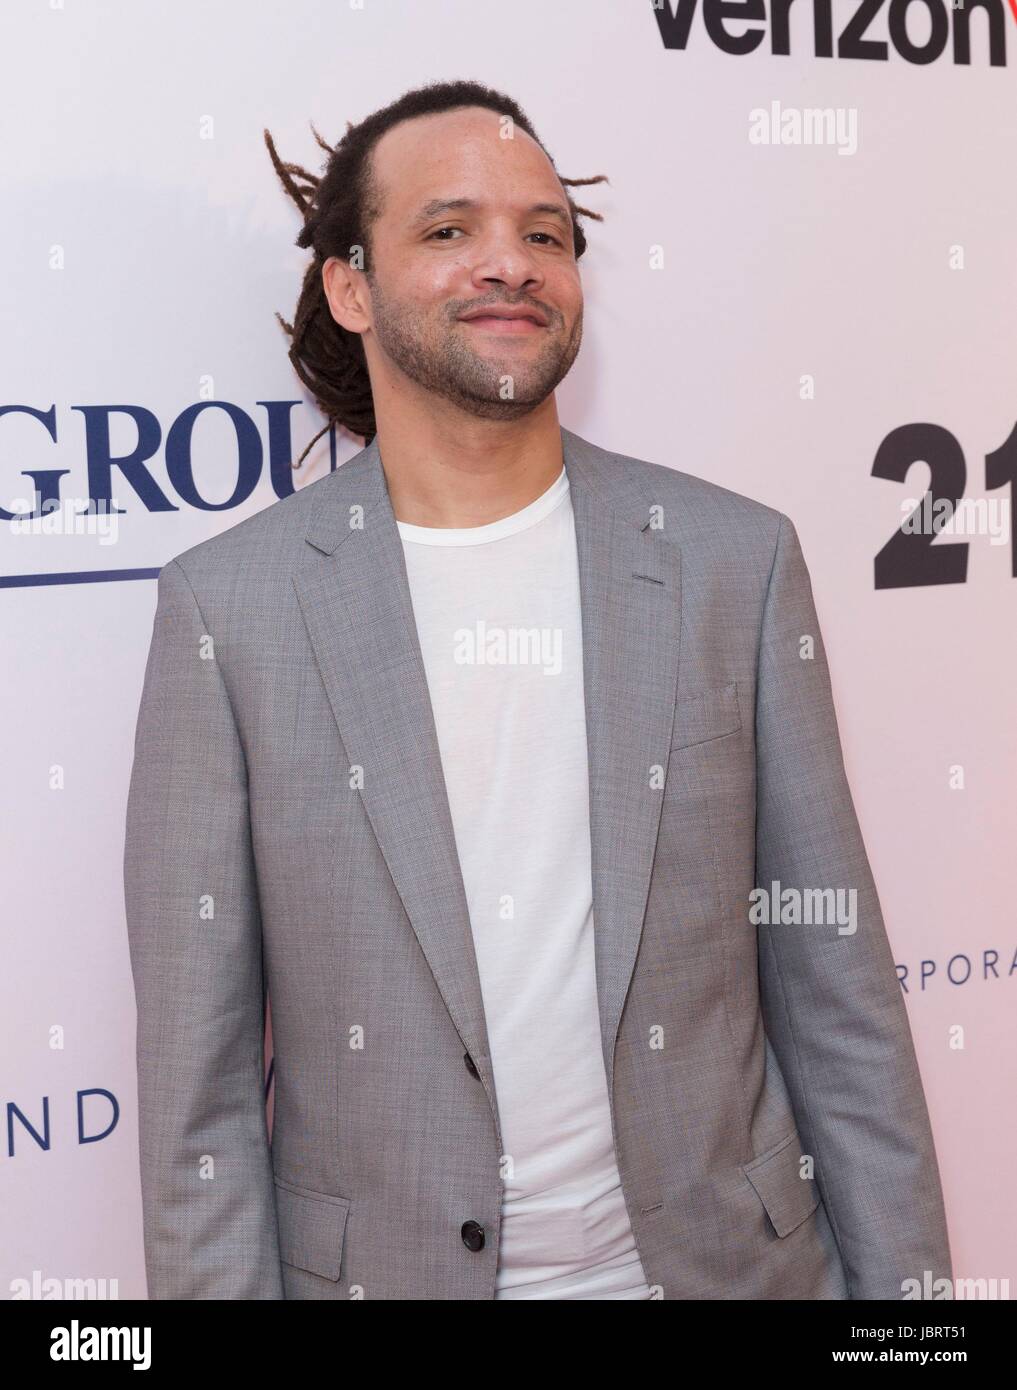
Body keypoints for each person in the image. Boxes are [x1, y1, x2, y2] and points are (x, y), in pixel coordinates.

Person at [124, 78, 952, 1300]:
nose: (509, 263)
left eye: (545, 232)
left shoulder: (734, 561)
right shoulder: (228, 611)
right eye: (448, 230)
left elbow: (838, 1001)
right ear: (351, 286)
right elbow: (199, 1102)